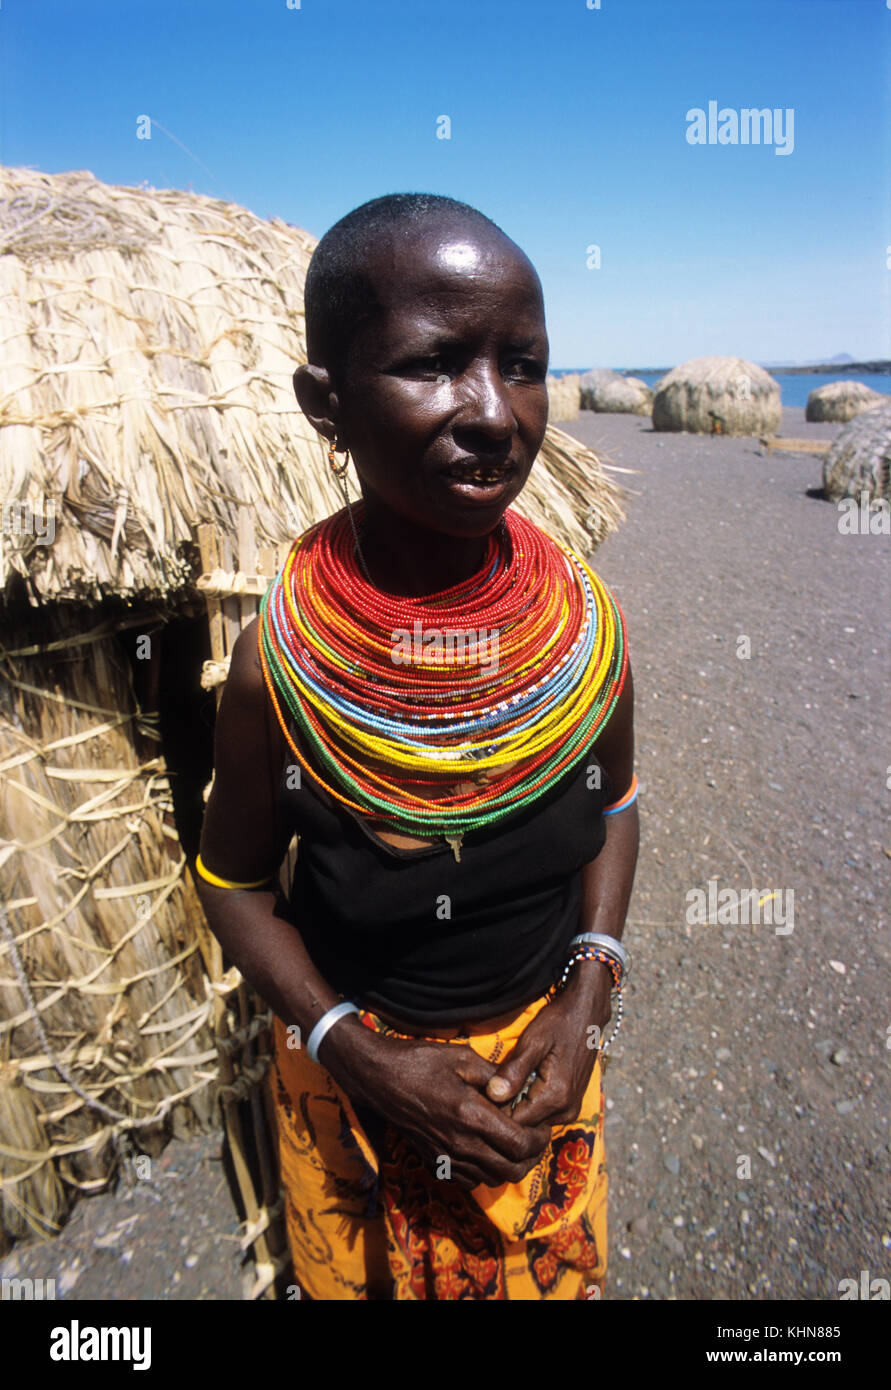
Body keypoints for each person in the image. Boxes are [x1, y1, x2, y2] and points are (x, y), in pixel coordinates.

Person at [195, 193, 639, 1301]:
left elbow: (618, 805)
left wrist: (588, 1001)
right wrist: (359, 1053)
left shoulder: (584, 627)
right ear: (326, 403)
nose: (495, 410)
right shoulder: (277, 663)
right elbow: (234, 883)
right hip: (352, 1081)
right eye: (436, 362)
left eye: (523, 364)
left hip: (544, 1075)